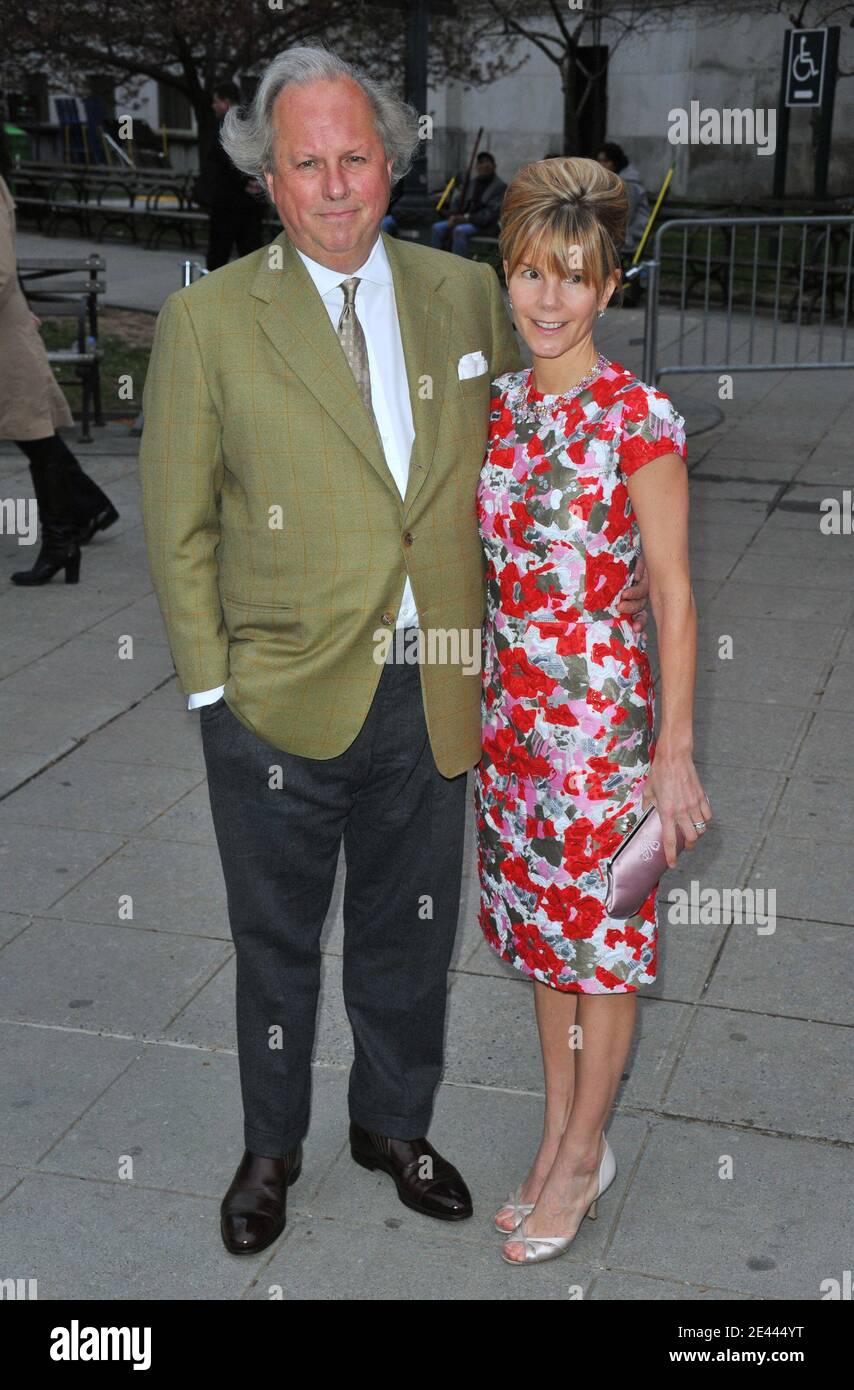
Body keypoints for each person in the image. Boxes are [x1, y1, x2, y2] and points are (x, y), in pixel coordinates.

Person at [138, 46, 650, 1258]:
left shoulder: (461, 293)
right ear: (267, 177)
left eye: (354, 157)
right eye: (304, 162)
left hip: (436, 688)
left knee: (410, 931)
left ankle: (394, 1125)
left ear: (391, 161)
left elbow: (549, 439)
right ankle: (272, 1149)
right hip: (275, 698)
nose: (332, 184)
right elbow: (177, 525)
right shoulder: (206, 320)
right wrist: (215, 689)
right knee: (274, 944)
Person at [475, 156, 711, 1265]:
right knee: (545, 950)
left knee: (600, 953)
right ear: (506, 274)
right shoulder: (503, 407)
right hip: (512, 740)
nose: (547, 298)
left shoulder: (639, 419)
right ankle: (562, 1136)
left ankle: (578, 1154)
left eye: (572, 277)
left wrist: (671, 753)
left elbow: (671, 591)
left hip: (602, 748)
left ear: (609, 288)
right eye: (528, 272)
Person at [0, 130, 118, 586]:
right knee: (38, 441)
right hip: (10, 334)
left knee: (37, 439)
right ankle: (83, 517)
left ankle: (63, 540)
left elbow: (2, 273)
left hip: (6, 344)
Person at [195, 81, 267, 271]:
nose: (213, 106)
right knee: (250, 250)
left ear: (226, 102)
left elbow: (227, 159)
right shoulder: (251, 122)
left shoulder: (226, 126)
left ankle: (214, 292)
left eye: (216, 101)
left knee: (220, 251)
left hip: (228, 200)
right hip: (247, 200)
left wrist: (245, 182)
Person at [597, 143, 651, 305]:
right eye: (599, 161)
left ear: (615, 162)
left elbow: (627, 216)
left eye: (605, 161)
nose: (601, 165)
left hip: (631, 234)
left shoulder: (627, 184)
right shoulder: (611, 181)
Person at [431, 151, 506, 258]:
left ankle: (459, 267)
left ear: (494, 166)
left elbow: (490, 215)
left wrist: (467, 218)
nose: (484, 166)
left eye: (487, 163)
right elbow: (458, 201)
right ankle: (436, 262)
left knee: (460, 231)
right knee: (437, 228)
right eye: (480, 163)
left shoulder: (500, 187)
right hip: (464, 220)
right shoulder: (472, 183)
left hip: (486, 226)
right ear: (476, 167)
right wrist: (453, 215)